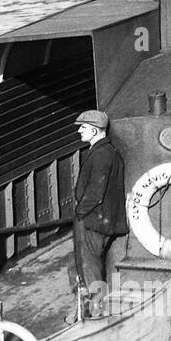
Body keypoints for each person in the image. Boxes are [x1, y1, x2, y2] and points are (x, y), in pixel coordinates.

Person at [68, 109, 128, 321]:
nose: (80, 132)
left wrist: (80, 213)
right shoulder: (109, 151)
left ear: (94, 130)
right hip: (100, 220)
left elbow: (95, 193)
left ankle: (97, 315)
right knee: (82, 267)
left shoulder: (101, 155)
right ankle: (86, 309)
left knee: (90, 269)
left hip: (93, 222)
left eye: (83, 128)